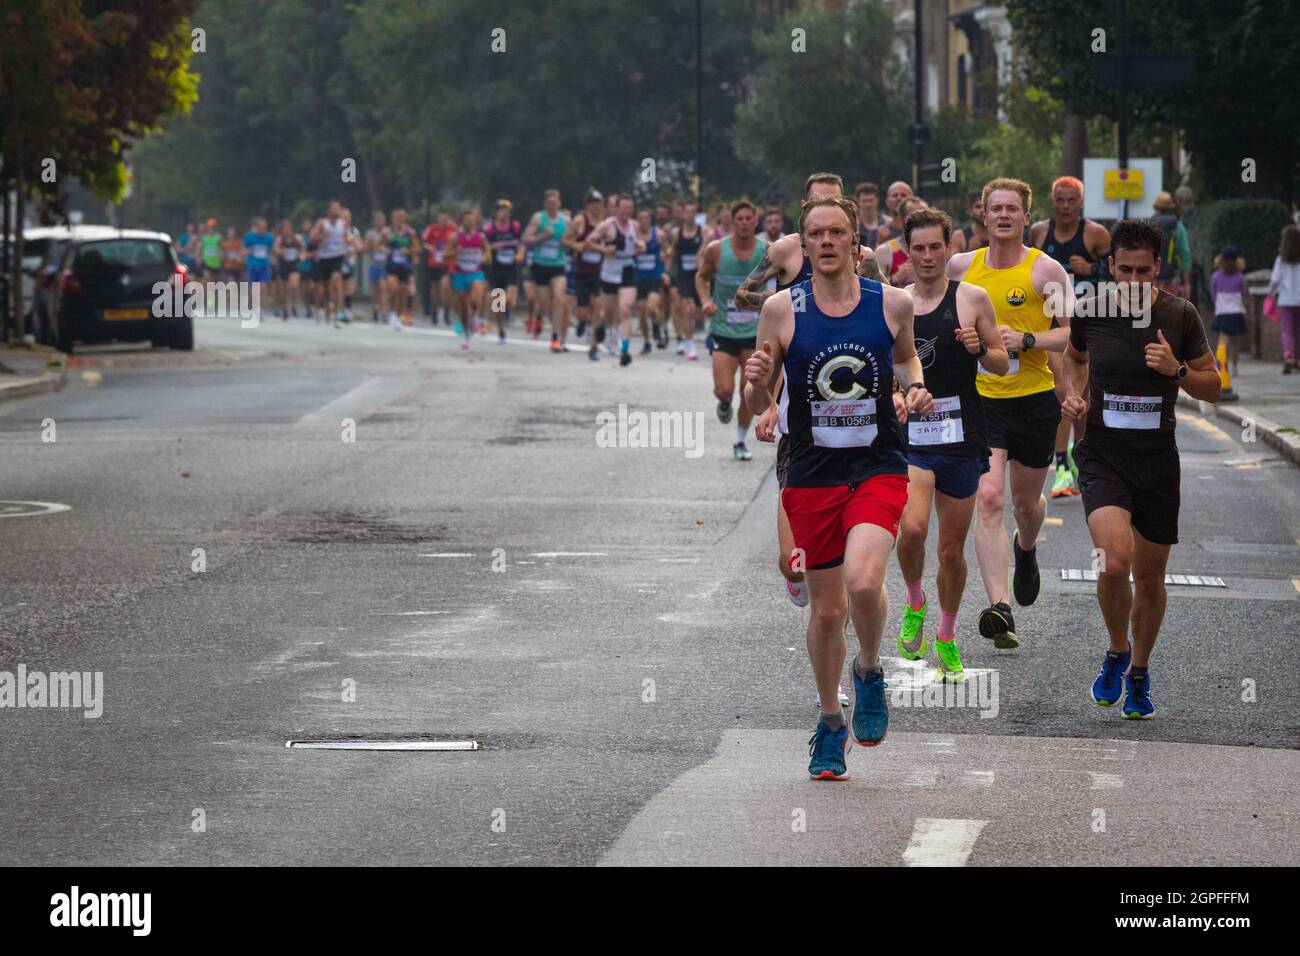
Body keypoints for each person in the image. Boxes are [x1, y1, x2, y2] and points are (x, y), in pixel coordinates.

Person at [742, 194, 932, 780]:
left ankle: (870, 671)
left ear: (856, 242)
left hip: (877, 464)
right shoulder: (780, 309)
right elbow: (756, 405)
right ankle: (829, 722)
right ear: (803, 244)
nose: (825, 243)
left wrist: (915, 390)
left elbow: (907, 365)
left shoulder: (893, 304)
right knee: (827, 612)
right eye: (815, 235)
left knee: (865, 579)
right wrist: (753, 389)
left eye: (836, 233)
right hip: (811, 472)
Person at [1062, 218, 1220, 718]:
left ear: (1158, 268)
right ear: (1110, 267)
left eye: (1143, 272)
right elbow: (1073, 356)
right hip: (1103, 454)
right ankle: (1117, 648)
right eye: (1124, 270)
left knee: (1150, 579)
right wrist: (1076, 398)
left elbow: (1212, 386)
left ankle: (1141, 670)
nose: (1133, 281)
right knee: (1113, 559)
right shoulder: (1090, 311)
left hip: (1156, 459)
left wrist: (1174, 368)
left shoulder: (1179, 315)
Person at [946, 177, 1075, 649]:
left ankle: (1026, 547)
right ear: (983, 215)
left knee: (1025, 504)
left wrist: (1025, 339)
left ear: (1026, 216)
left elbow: (1072, 336)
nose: (1003, 215)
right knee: (989, 498)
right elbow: (919, 300)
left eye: (1012, 209)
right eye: (994, 208)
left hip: (1034, 399)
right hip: (980, 400)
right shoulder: (961, 267)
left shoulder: (1047, 272)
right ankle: (1000, 608)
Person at [894, 207, 1008, 682]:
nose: (926, 256)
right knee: (913, 530)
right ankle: (916, 600)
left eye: (935, 247)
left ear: (949, 247)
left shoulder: (973, 299)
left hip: (961, 438)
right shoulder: (894, 302)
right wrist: (897, 397)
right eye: (917, 248)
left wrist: (980, 349)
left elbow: (1003, 363)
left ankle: (945, 634)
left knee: (951, 552)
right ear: (906, 250)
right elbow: (883, 367)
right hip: (911, 439)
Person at [1031, 175, 1111, 499]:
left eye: (1071, 200)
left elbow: (1120, 275)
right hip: (1054, 322)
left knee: (1082, 395)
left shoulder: (1095, 234)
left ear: (1081, 202)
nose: (1065, 206)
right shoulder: (1039, 232)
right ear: (1053, 201)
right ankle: (1063, 464)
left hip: (1088, 323)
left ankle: (1081, 455)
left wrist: (1093, 270)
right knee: (1062, 389)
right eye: (1060, 200)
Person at [697, 199, 768, 458]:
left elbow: (781, 282)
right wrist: (706, 300)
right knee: (725, 389)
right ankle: (724, 403)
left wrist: (767, 300)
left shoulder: (766, 251)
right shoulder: (716, 250)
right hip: (723, 330)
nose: (745, 223)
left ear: (755, 222)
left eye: (749, 218)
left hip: (753, 332)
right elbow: (702, 277)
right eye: (740, 219)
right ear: (732, 222)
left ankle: (739, 441)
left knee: (747, 392)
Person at [590, 195, 645, 365]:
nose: (627, 211)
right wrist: (605, 249)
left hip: (627, 269)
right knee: (608, 314)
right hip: (609, 272)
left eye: (630, 208)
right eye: (624, 208)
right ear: (617, 208)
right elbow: (589, 242)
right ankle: (600, 330)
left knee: (625, 309)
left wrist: (641, 246)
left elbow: (639, 242)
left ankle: (625, 351)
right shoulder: (607, 225)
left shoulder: (634, 226)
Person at [522, 189, 571, 352]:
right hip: (540, 266)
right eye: (549, 203)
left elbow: (572, 241)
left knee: (559, 298)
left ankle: (556, 338)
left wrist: (568, 244)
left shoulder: (566, 220)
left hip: (558, 265)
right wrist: (543, 236)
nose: (552, 205)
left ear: (559, 203)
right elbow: (525, 239)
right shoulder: (538, 218)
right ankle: (540, 319)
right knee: (544, 303)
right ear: (545, 204)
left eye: (555, 202)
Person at [565, 190, 607, 350]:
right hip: (582, 271)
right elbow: (565, 240)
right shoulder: (579, 221)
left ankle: (596, 340)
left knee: (598, 304)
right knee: (582, 312)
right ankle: (584, 322)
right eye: (591, 204)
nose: (595, 207)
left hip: (601, 271)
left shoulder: (607, 222)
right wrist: (576, 245)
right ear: (586, 206)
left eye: (598, 204)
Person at [445, 207, 489, 348]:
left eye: (472, 220)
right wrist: (454, 252)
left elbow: (487, 252)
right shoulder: (455, 237)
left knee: (476, 298)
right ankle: (466, 334)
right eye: (467, 220)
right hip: (459, 273)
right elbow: (445, 255)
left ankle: (476, 316)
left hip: (475, 272)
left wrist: (484, 256)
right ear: (462, 222)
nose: (470, 222)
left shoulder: (481, 237)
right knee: (463, 307)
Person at [668, 198, 703, 360]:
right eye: (686, 212)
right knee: (686, 309)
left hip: (698, 276)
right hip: (682, 276)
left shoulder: (703, 231)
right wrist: (667, 271)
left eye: (692, 212)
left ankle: (689, 337)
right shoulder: (676, 233)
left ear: (696, 214)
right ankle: (689, 344)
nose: (689, 215)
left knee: (697, 313)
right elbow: (672, 253)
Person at [485, 199, 523, 344]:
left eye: (507, 210)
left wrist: (520, 254)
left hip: (511, 267)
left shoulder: (515, 227)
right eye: (501, 210)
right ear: (496, 212)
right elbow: (483, 245)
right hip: (496, 269)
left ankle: (507, 310)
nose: (504, 213)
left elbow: (522, 243)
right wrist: (493, 248)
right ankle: (501, 330)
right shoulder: (489, 230)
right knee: (497, 305)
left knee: (509, 298)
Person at [1210, 243, 1247, 391]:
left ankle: (1220, 367)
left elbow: (1213, 294)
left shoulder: (1216, 276)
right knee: (1236, 343)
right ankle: (1234, 367)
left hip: (1223, 312)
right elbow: (1243, 293)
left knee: (1222, 343)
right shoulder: (1240, 277)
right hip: (1237, 312)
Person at [310, 200, 351, 327]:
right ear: (328, 211)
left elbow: (347, 237)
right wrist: (322, 236)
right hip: (324, 258)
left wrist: (350, 241)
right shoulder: (322, 223)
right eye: (334, 208)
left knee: (336, 281)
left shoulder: (343, 224)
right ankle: (328, 306)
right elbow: (312, 238)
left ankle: (337, 312)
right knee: (326, 288)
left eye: (338, 209)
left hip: (338, 256)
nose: (336, 211)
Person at [1267, 224, 1300, 373]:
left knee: (1287, 330)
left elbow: (1275, 280)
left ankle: (1287, 354)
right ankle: (1297, 359)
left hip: (1285, 300)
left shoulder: (1281, 260)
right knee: (1298, 331)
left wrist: (1270, 293)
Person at [874, 196, 927, 286]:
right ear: (900, 218)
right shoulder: (884, 251)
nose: (920, 221)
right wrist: (895, 278)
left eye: (925, 216)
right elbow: (874, 291)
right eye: (914, 216)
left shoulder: (936, 250)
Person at [634, 205, 665, 355]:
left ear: (650, 220)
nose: (643, 221)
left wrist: (665, 270)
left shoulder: (658, 234)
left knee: (651, 308)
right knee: (641, 313)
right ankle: (647, 342)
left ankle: (658, 327)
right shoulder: (633, 235)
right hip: (639, 279)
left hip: (655, 277)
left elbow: (668, 251)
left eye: (646, 218)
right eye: (640, 218)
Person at [383, 208, 420, 330]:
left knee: (402, 293)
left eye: (400, 217)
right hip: (392, 265)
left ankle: (397, 316)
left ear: (404, 219)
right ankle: (392, 313)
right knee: (393, 288)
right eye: (396, 217)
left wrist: (408, 250)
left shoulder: (410, 232)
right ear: (393, 218)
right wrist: (383, 249)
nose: (398, 220)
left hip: (405, 266)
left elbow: (418, 248)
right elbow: (378, 244)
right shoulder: (387, 232)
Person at [1150, 191, 1192, 298]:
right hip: (1172, 276)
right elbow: (1185, 253)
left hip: (1151, 277)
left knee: (1151, 312)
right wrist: (1187, 284)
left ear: (1156, 208)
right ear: (1171, 208)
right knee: (1171, 312)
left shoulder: (1148, 224)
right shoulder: (1178, 226)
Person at [422, 211, 455, 324]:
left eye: (445, 218)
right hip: (433, 264)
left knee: (445, 287)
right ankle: (435, 309)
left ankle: (446, 310)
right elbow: (424, 242)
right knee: (435, 289)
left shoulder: (452, 229)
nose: (443, 221)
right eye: (441, 218)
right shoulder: (431, 228)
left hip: (446, 264)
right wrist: (432, 248)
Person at [272, 219, 303, 319]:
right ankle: (285, 308)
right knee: (285, 288)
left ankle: (294, 306)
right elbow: (275, 250)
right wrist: (279, 252)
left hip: (294, 264)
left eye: (288, 228)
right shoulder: (279, 239)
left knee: (294, 285)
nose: (286, 231)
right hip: (283, 264)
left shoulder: (297, 238)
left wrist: (300, 254)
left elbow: (303, 248)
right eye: (284, 229)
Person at [365, 211, 388, 323]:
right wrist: (376, 242)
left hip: (386, 265)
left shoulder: (388, 232)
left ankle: (384, 312)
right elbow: (366, 248)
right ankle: (375, 307)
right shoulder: (370, 233)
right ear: (374, 222)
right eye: (377, 220)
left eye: (382, 220)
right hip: (374, 264)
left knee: (383, 288)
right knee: (375, 290)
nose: (380, 222)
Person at [243, 217, 274, 299]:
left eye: (264, 228)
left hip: (264, 264)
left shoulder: (269, 237)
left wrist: (272, 255)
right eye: (261, 227)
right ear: (257, 227)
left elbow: (271, 249)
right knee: (254, 286)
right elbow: (244, 248)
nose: (262, 229)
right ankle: (252, 301)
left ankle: (261, 305)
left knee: (263, 286)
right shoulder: (250, 236)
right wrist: (247, 251)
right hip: (253, 264)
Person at [854, 181, 891, 249]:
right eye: (864, 201)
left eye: (871, 200)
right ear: (858, 202)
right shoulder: (853, 225)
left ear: (877, 200)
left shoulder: (888, 222)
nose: (868, 204)